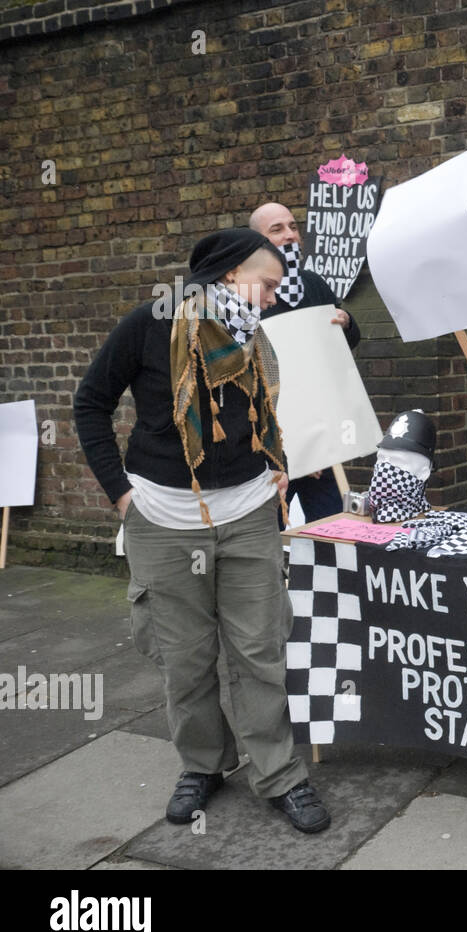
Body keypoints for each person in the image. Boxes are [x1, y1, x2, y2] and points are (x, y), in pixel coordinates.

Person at [73, 227, 331, 834]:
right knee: (183, 658)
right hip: (162, 519)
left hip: (246, 515)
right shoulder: (149, 324)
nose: (271, 298)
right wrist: (121, 494)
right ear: (229, 276)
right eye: (266, 285)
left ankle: (278, 774)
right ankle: (203, 765)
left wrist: (277, 467)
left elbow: (266, 411)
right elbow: (90, 403)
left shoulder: (254, 337)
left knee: (259, 650)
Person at [250, 201, 360, 523]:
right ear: (257, 241)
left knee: (332, 529)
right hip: (272, 439)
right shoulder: (246, 293)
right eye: (277, 229)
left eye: (293, 227)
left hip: (319, 432)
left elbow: (343, 347)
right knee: (272, 530)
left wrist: (347, 322)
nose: (289, 235)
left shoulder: (313, 284)